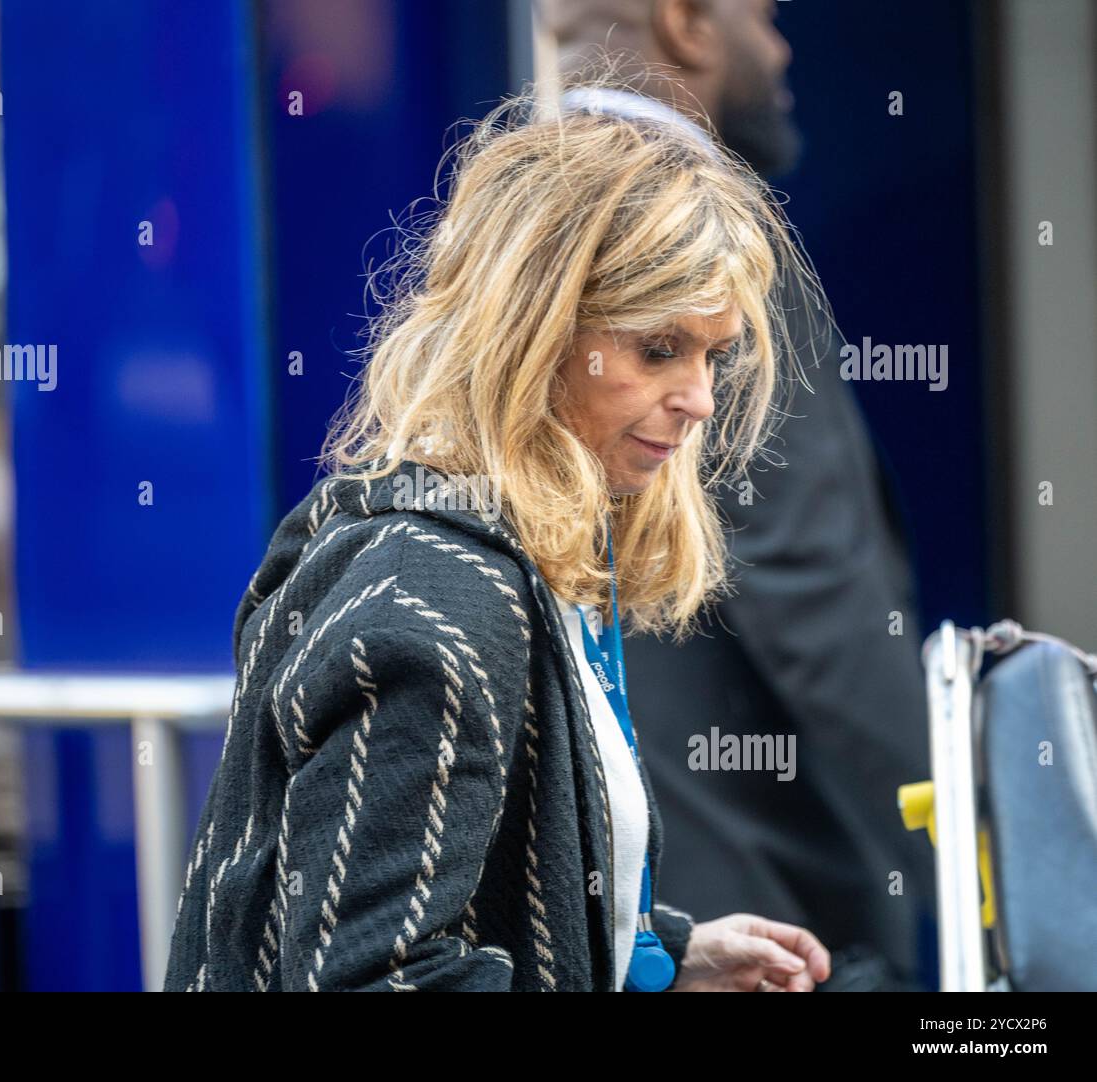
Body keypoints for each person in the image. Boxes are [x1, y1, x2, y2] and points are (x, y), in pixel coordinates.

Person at [163, 83, 831, 992]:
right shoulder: (439, 595)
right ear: (536, 331)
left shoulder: (531, 560)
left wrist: (660, 955)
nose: (701, 399)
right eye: (658, 349)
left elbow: (505, 882)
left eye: (714, 355)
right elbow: (374, 978)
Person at [537, 0, 936, 988]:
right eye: (766, 12)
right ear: (686, 21)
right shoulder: (698, 231)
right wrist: (971, 830)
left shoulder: (514, 222)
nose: (784, 45)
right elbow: (818, 596)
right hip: (760, 898)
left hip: (617, 900)